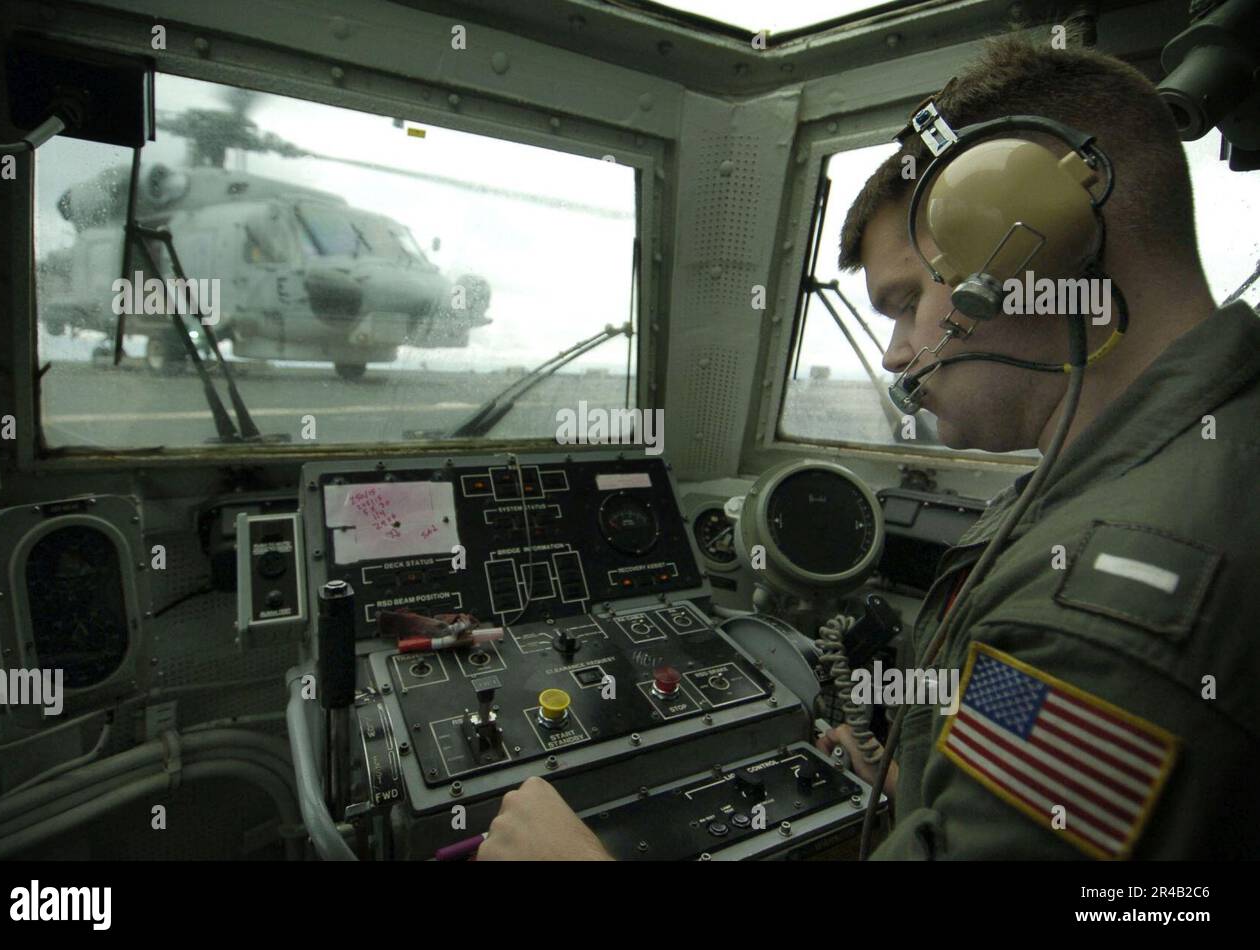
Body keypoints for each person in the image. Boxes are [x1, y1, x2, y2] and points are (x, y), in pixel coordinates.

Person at [478, 35, 1260, 861]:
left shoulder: (1107, 616)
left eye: (905, 300)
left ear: (1038, 246)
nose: (892, 353)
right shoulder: (1155, 469)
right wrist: (930, 783)